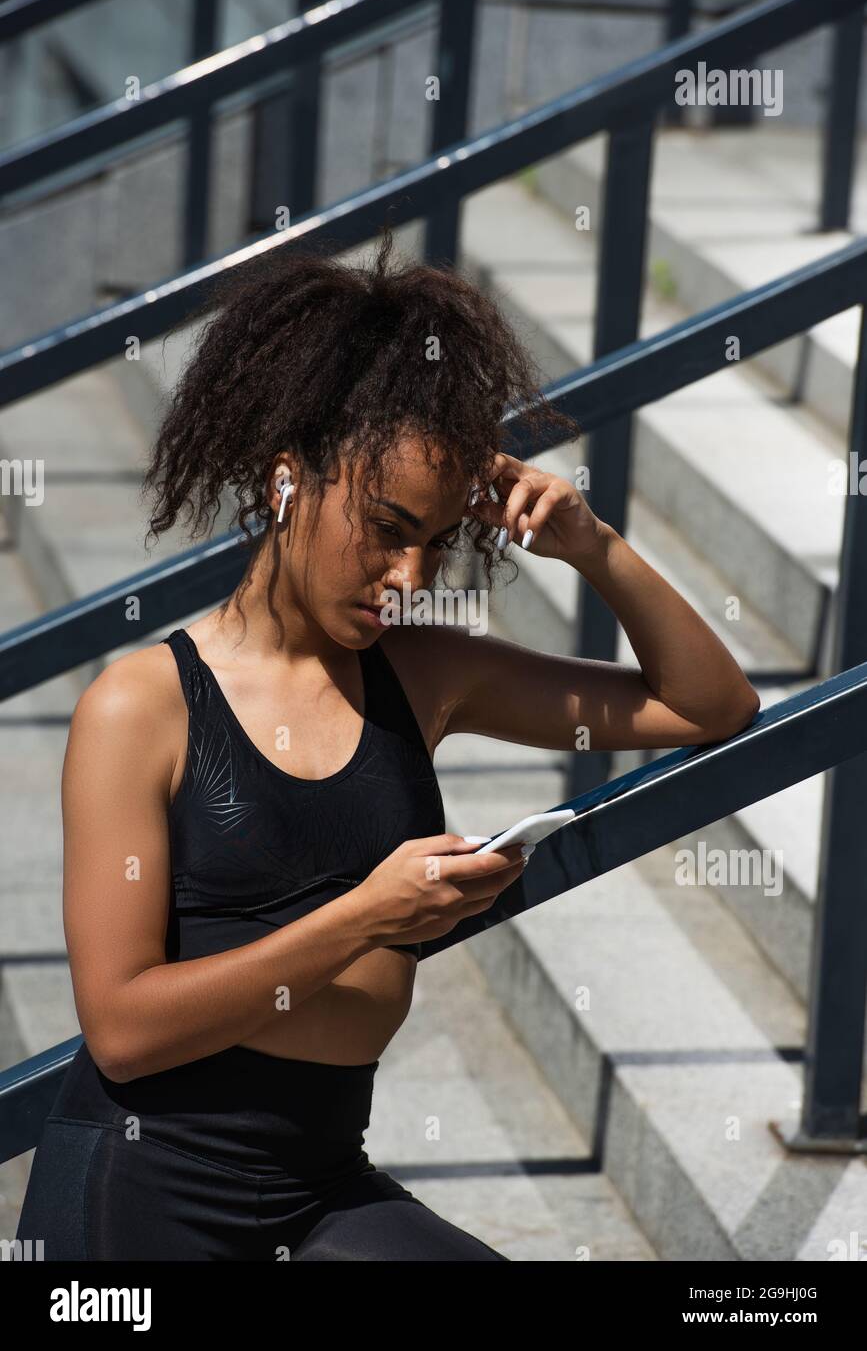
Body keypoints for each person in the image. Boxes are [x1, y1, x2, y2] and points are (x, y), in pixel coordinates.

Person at [16, 228, 759, 1261]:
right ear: (285, 482)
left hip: (321, 1184)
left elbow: (709, 707)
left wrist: (594, 547)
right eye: (385, 526)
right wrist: (367, 915)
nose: (408, 575)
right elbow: (124, 1030)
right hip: (145, 1197)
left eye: (438, 540)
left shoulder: (423, 674)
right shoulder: (139, 707)